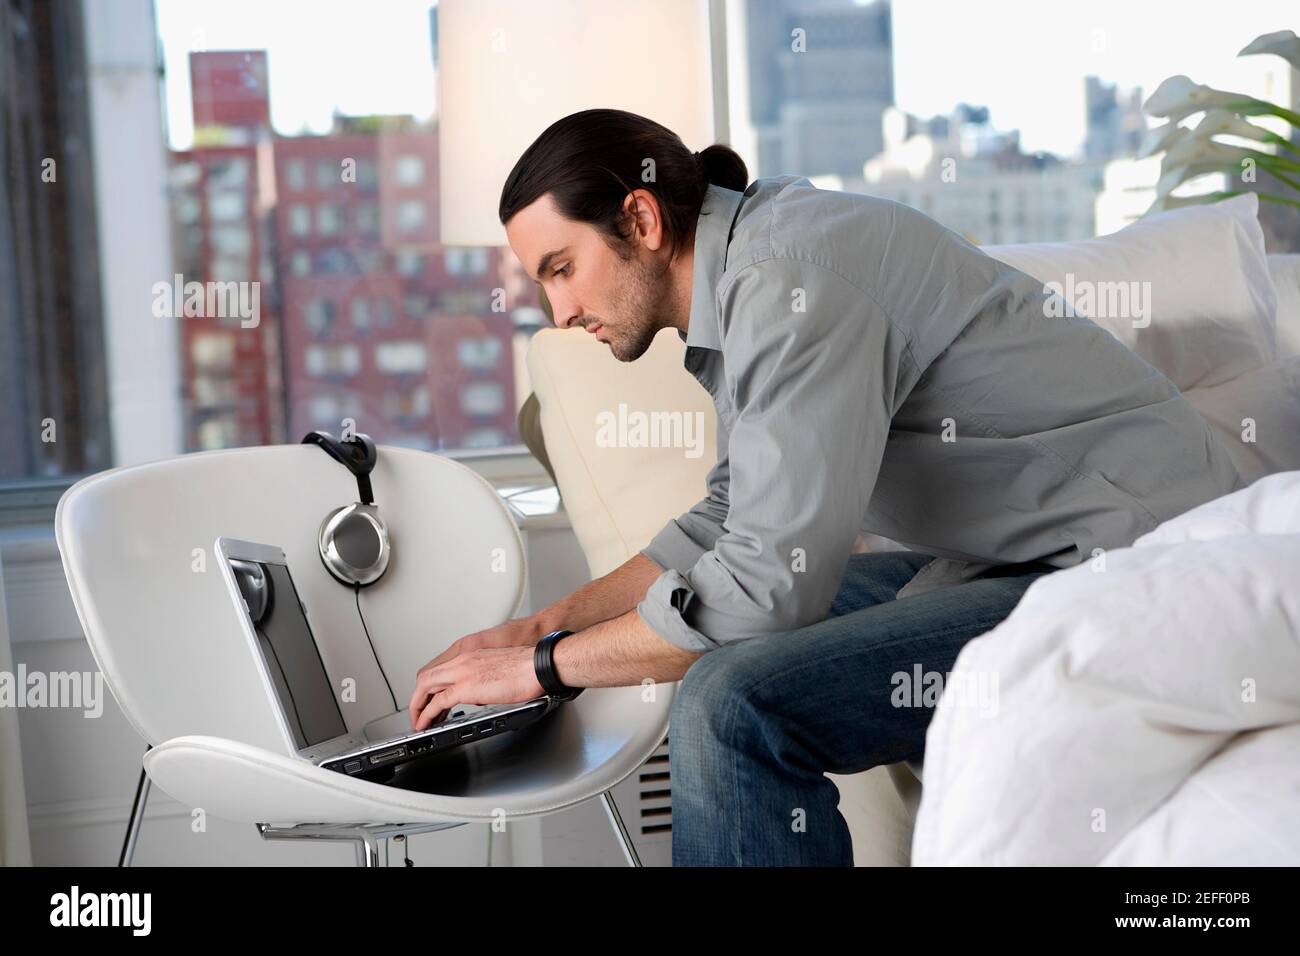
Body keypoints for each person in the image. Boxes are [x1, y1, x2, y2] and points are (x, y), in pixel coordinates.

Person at [407, 108, 1243, 866]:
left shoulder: (791, 279)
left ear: (641, 218)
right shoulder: (749, 277)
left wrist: (546, 670)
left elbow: (767, 589)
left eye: (562, 268)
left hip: (1136, 565)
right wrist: (534, 630)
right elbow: (732, 514)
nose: (559, 312)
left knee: (735, 706)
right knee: (723, 668)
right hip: (1018, 559)